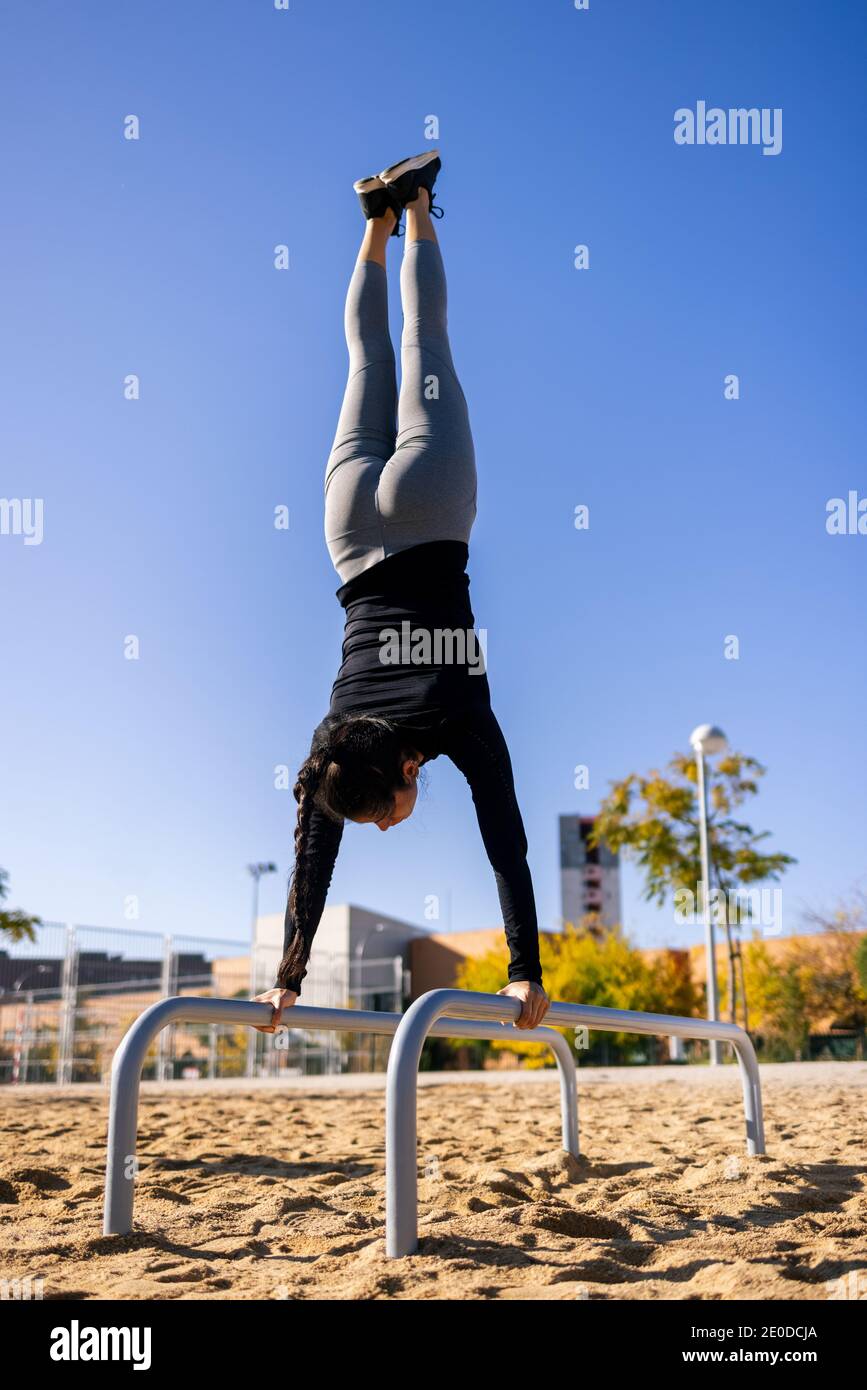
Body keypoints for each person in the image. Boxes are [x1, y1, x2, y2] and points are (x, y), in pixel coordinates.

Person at [254, 150, 549, 1035]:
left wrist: (522, 971)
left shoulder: (456, 707)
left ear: (405, 768)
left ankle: (417, 200)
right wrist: (286, 982)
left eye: (381, 818)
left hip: (429, 509)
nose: (382, 829)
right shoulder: (333, 744)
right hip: (347, 535)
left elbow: (506, 839)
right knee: (364, 359)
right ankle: (377, 221)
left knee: (425, 339)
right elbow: (311, 857)